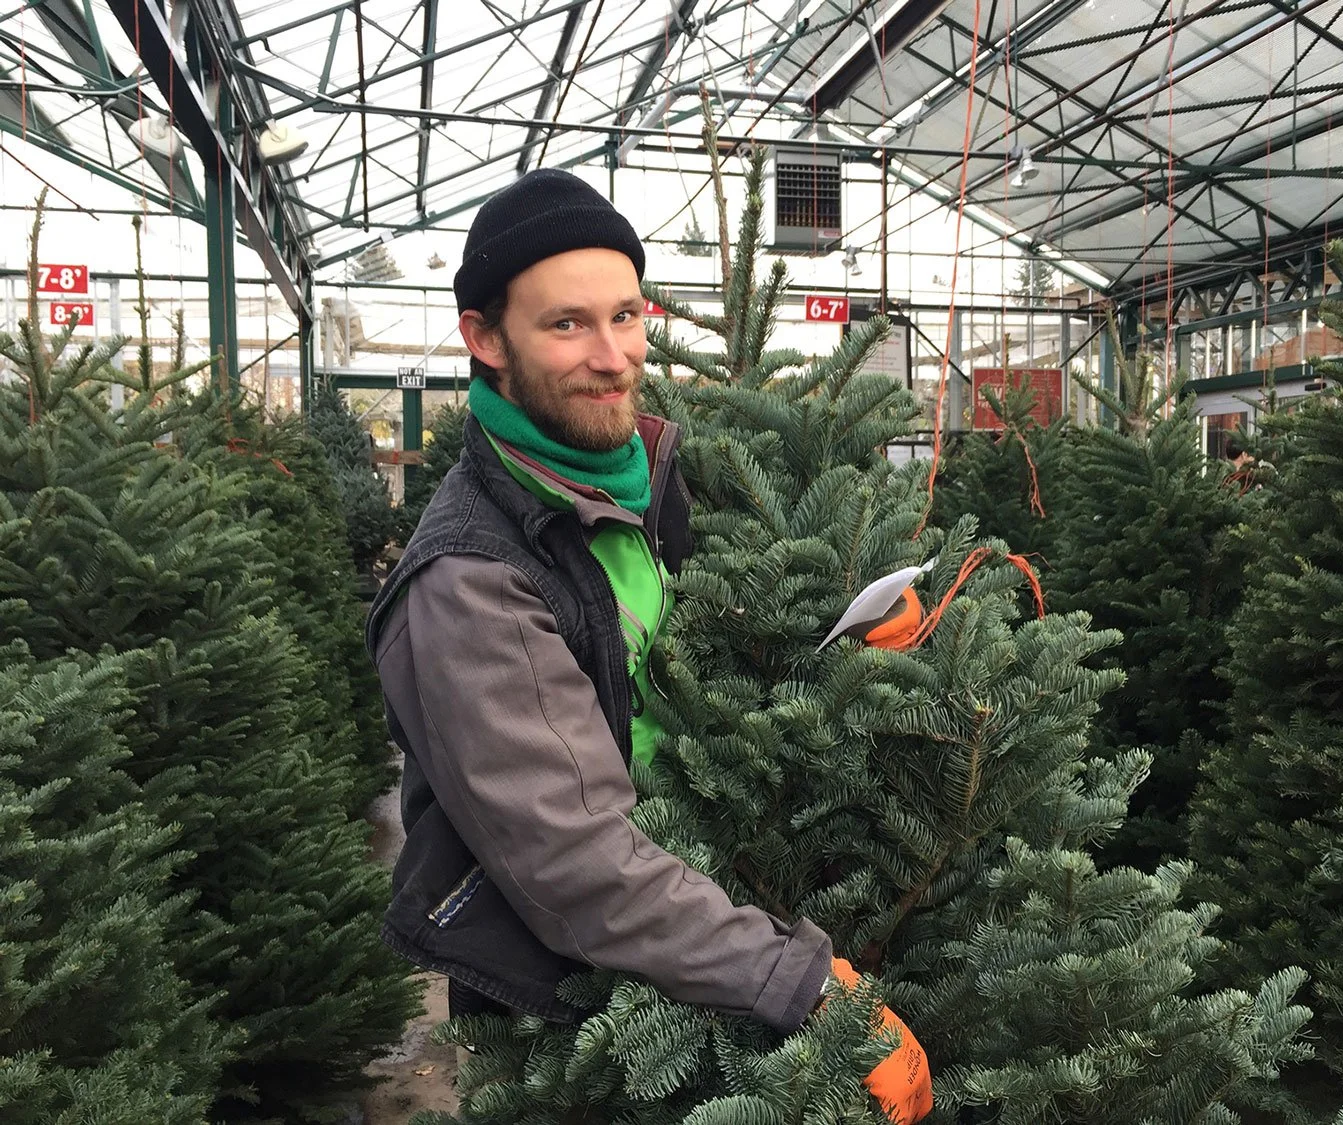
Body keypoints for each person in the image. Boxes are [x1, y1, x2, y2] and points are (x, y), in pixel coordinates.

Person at [364, 169, 932, 1124]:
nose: (613, 355)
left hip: (706, 899)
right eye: (566, 324)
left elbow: (676, 659)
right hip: (580, 1026)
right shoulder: (468, 583)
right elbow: (576, 863)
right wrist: (810, 988)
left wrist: (840, 645)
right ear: (484, 338)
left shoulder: (641, 471)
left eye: (626, 315)